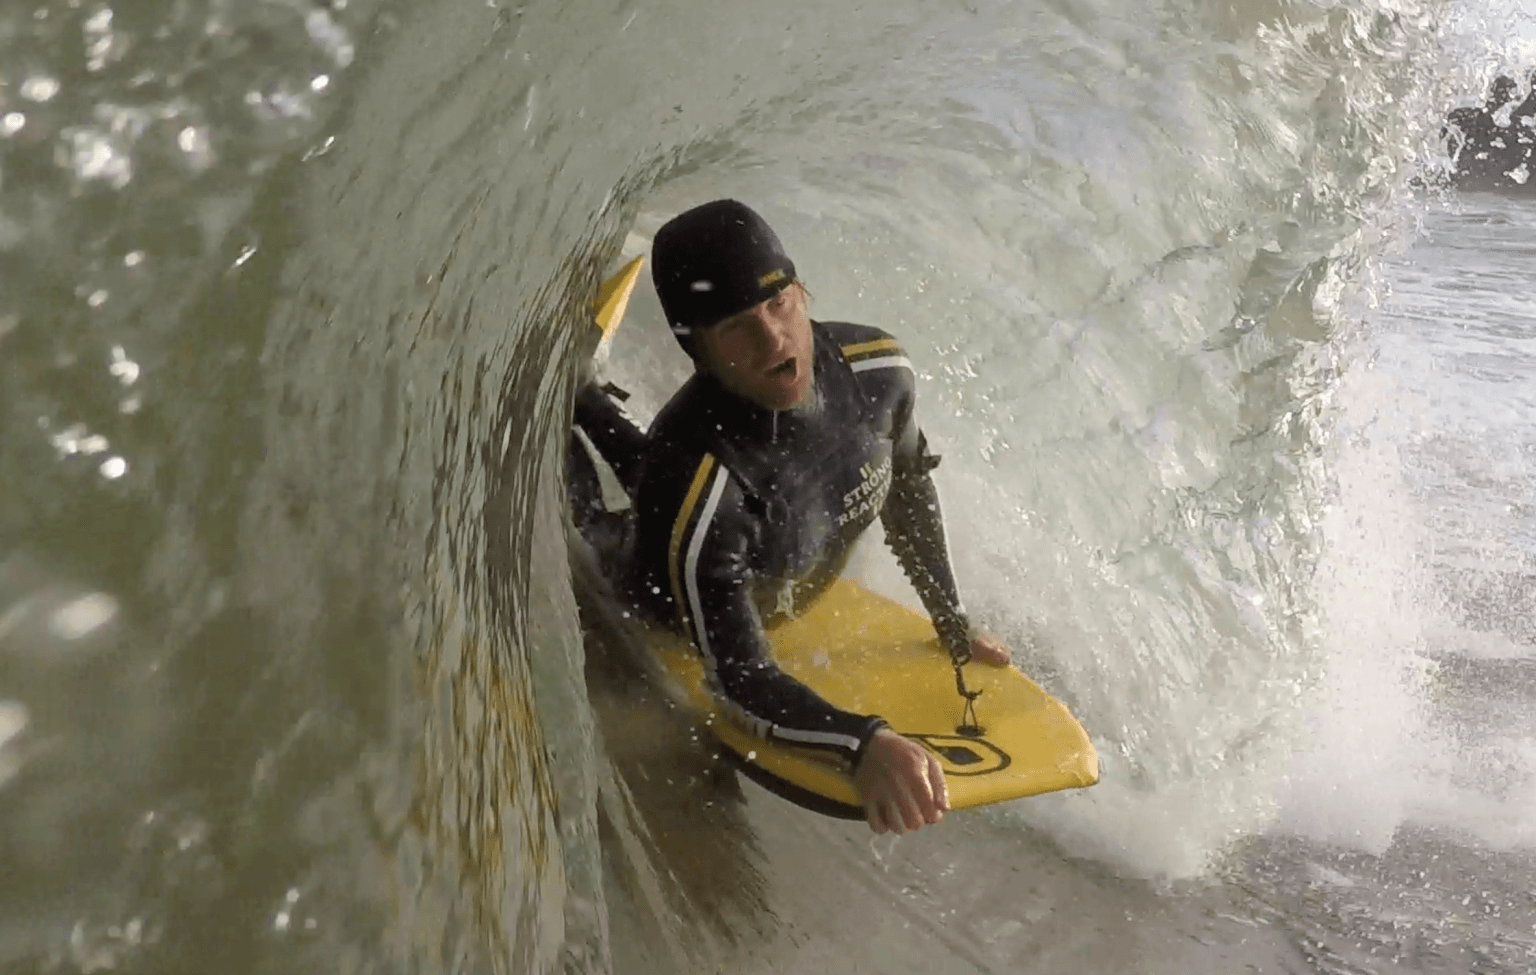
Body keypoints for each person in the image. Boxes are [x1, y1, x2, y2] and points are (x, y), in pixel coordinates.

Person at [570, 199, 1013, 835]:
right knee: (599, 518)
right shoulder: (700, 482)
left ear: (803, 292)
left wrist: (949, 614)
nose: (775, 340)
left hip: (716, 507)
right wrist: (861, 744)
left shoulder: (879, 371)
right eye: (737, 329)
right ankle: (557, 410)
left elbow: (908, 485)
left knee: (680, 484)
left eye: (779, 303)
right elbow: (740, 679)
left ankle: (582, 389)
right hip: (655, 591)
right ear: (699, 352)